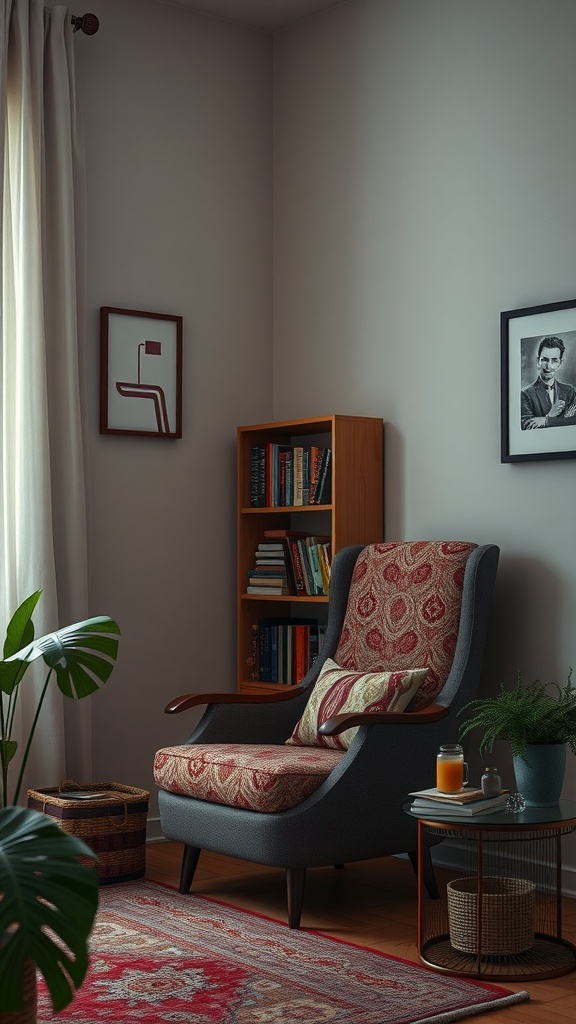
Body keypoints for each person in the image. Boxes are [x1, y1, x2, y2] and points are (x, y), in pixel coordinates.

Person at [521, 336, 576, 429]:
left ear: (560, 363)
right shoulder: (525, 394)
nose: (549, 366)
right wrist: (552, 416)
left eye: (555, 360)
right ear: (538, 361)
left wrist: (546, 420)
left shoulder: (570, 391)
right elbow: (527, 426)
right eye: (545, 360)